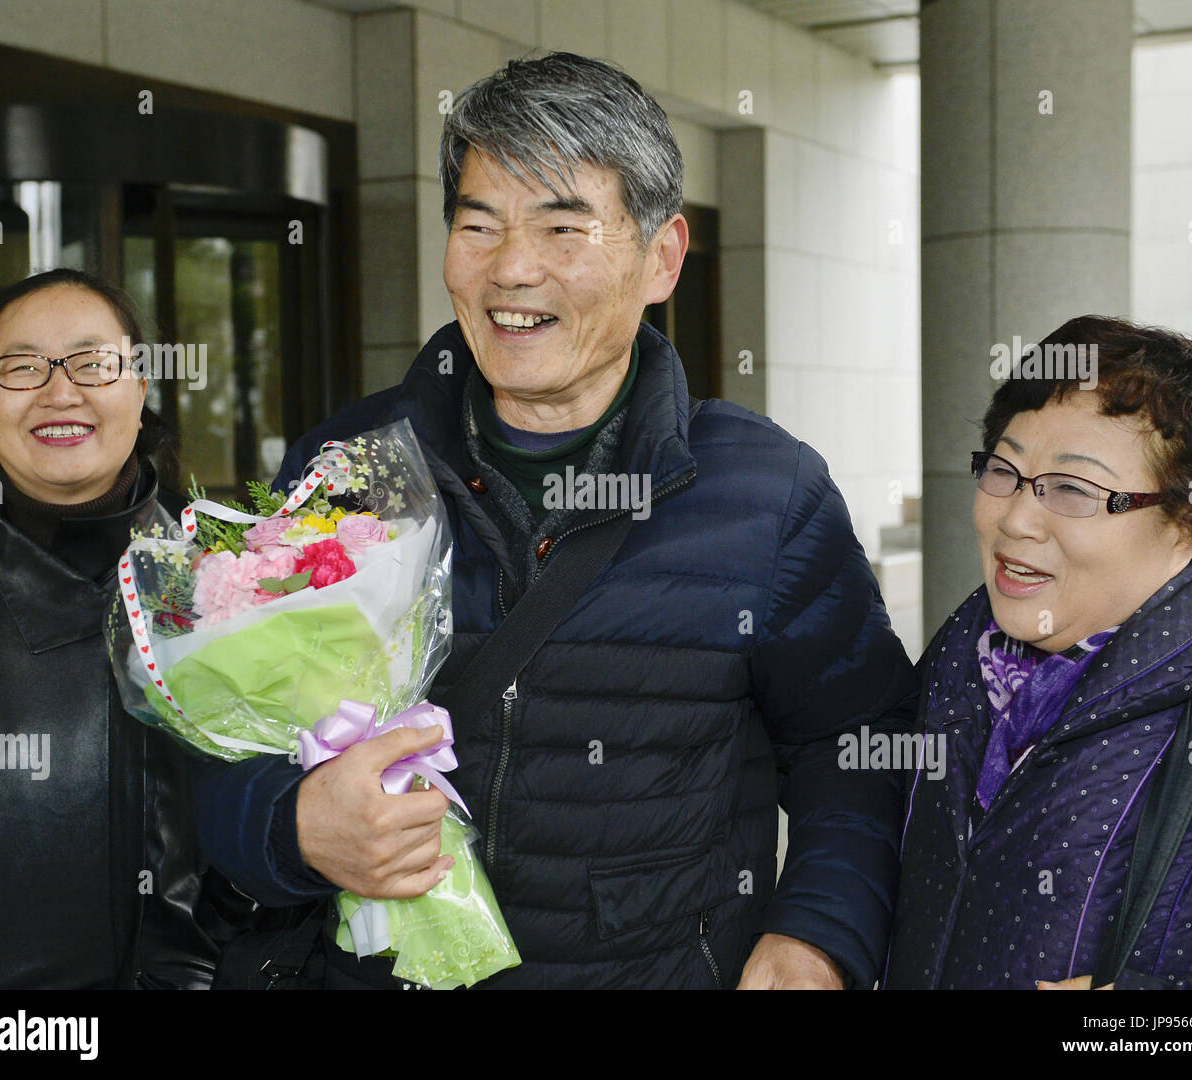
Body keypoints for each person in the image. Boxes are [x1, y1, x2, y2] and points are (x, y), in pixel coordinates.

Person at [194, 52, 917, 990]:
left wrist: (816, 932)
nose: (511, 268)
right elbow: (221, 740)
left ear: (662, 258)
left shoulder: (766, 493)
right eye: (478, 224)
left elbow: (856, 745)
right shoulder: (348, 469)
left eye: (562, 227)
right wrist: (287, 828)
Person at [885, 315, 1192, 990]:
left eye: (1074, 490)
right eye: (1004, 471)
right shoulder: (961, 655)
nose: (1015, 519)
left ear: (1186, 519)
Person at [0, 268, 250, 988]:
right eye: (23, 367)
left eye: (92, 362)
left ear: (140, 390)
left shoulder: (248, 579)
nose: (60, 392)